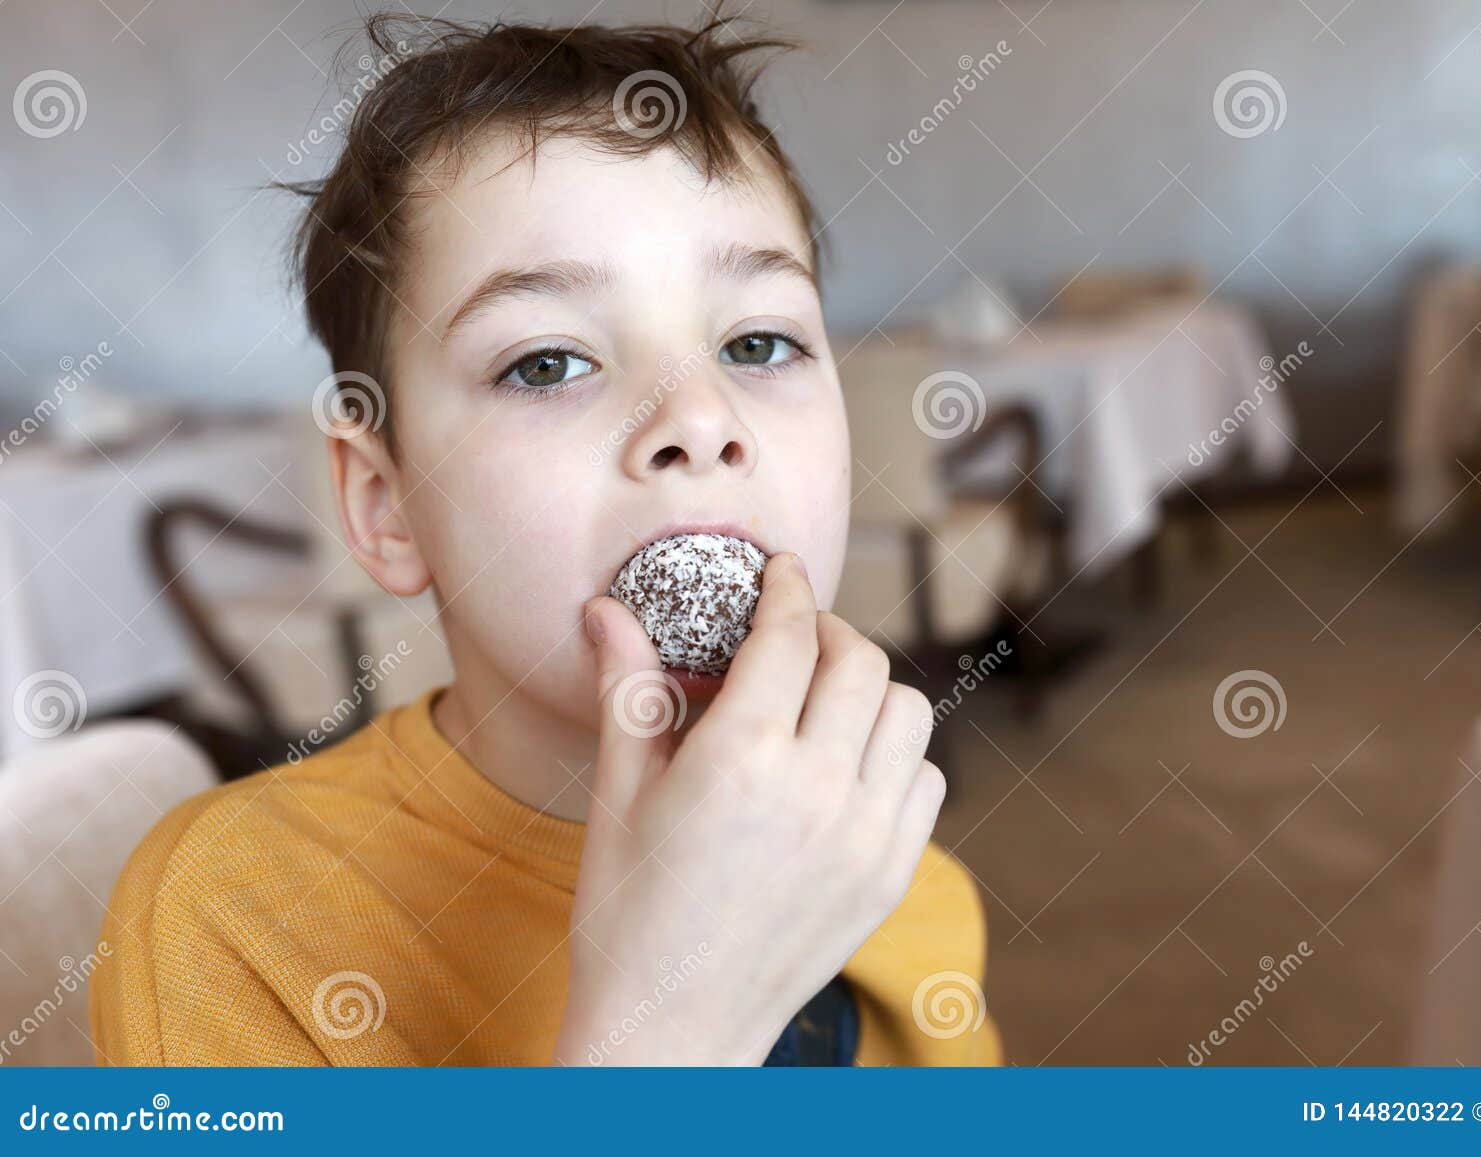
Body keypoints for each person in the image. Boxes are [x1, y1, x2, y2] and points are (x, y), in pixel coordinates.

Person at [90, 8, 1000, 1066]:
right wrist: (668, 1024)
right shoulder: (233, 918)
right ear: (387, 504)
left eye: (757, 340)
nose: (699, 419)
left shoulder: (891, 869)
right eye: (547, 363)